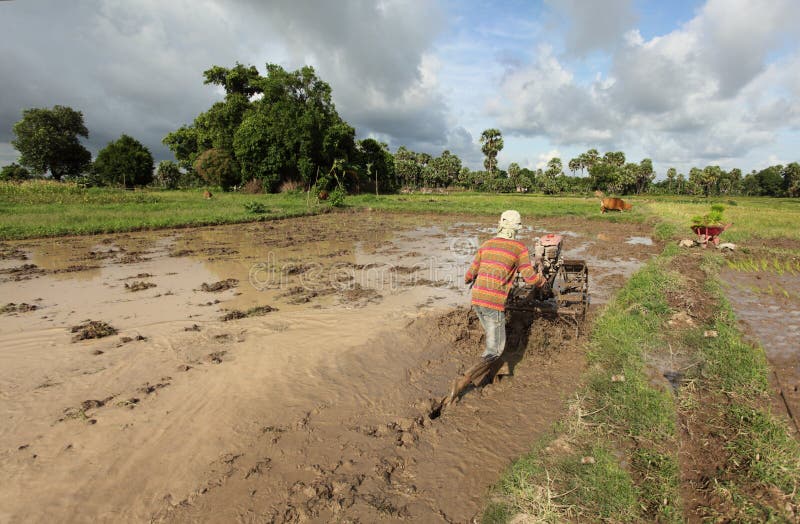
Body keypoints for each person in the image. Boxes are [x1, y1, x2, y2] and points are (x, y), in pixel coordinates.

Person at [464, 210, 546, 360]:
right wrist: (541, 280)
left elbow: (470, 274)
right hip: (493, 302)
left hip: (477, 299)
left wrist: (467, 280)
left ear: (500, 226)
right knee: (495, 349)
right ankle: (488, 366)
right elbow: (529, 278)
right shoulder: (519, 248)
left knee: (491, 334)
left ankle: (489, 362)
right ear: (516, 229)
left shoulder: (486, 244)